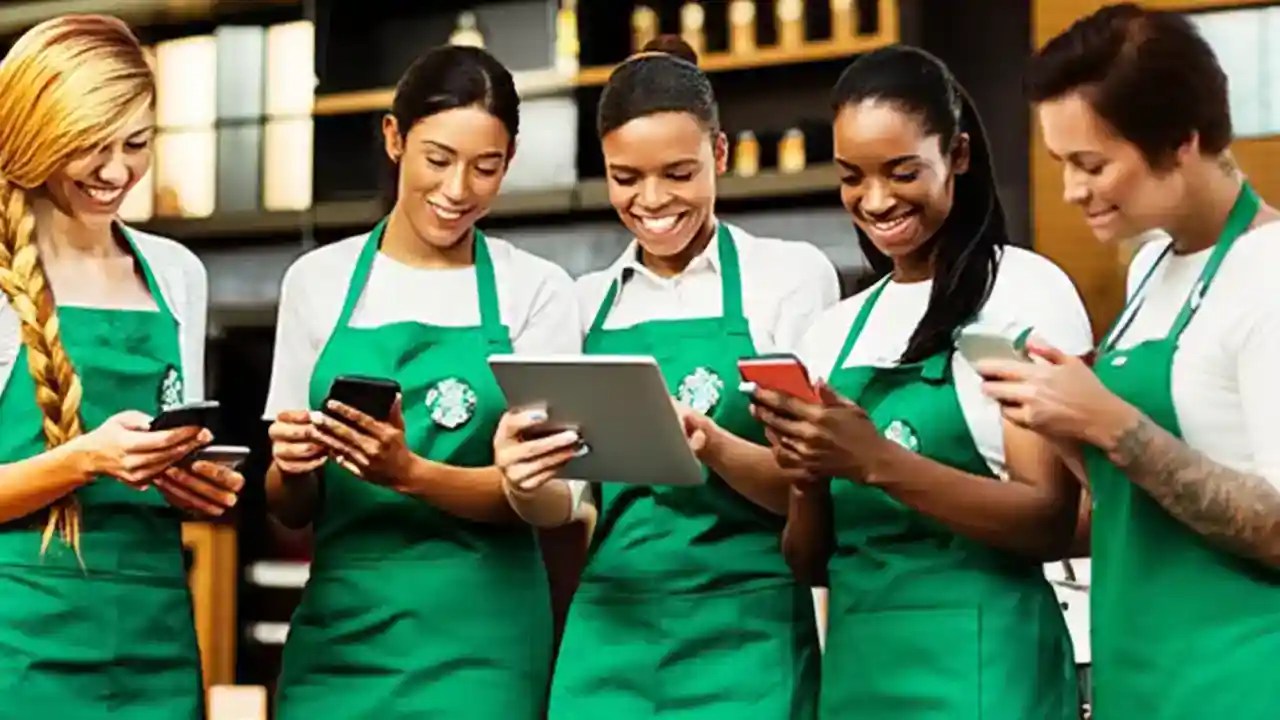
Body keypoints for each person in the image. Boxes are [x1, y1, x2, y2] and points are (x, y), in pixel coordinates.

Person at [495, 36, 840, 718]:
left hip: (749, 636)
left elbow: (814, 488)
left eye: (679, 173)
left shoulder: (791, 279)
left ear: (719, 154)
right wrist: (521, 480)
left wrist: (710, 445)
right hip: (608, 634)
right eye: (626, 178)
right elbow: (572, 505)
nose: (652, 200)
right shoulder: (583, 301)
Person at [746, 46, 1092, 718]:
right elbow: (811, 561)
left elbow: (1048, 520)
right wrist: (808, 474)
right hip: (859, 670)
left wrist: (874, 461)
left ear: (957, 155)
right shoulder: (836, 331)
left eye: (902, 172)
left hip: (989, 669)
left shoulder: (1022, 293)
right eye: (852, 178)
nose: (875, 201)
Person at [978, 5, 1280, 718]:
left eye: (1092, 164)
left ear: (1182, 141)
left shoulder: (1268, 273)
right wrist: (1062, 426)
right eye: (1062, 165)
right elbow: (1141, 495)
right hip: (1139, 677)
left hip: (1241, 681)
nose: (1072, 190)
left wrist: (1110, 422)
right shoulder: (1151, 269)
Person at [264, 44, 580, 719]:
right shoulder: (316, 284)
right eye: (438, 159)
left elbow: (555, 501)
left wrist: (407, 471)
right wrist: (291, 468)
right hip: (341, 637)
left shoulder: (538, 293)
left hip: (485, 645)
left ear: (509, 163)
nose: (458, 189)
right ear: (393, 138)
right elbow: (289, 508)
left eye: (485, 167)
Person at [0, 14, 243, 717]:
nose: (116, 172)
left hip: (157, 640)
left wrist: (186, 477)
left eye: (136, 144)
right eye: (89, 147)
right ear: (33, 138)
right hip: (20, 651)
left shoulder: (176, 274)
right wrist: (85, 460)